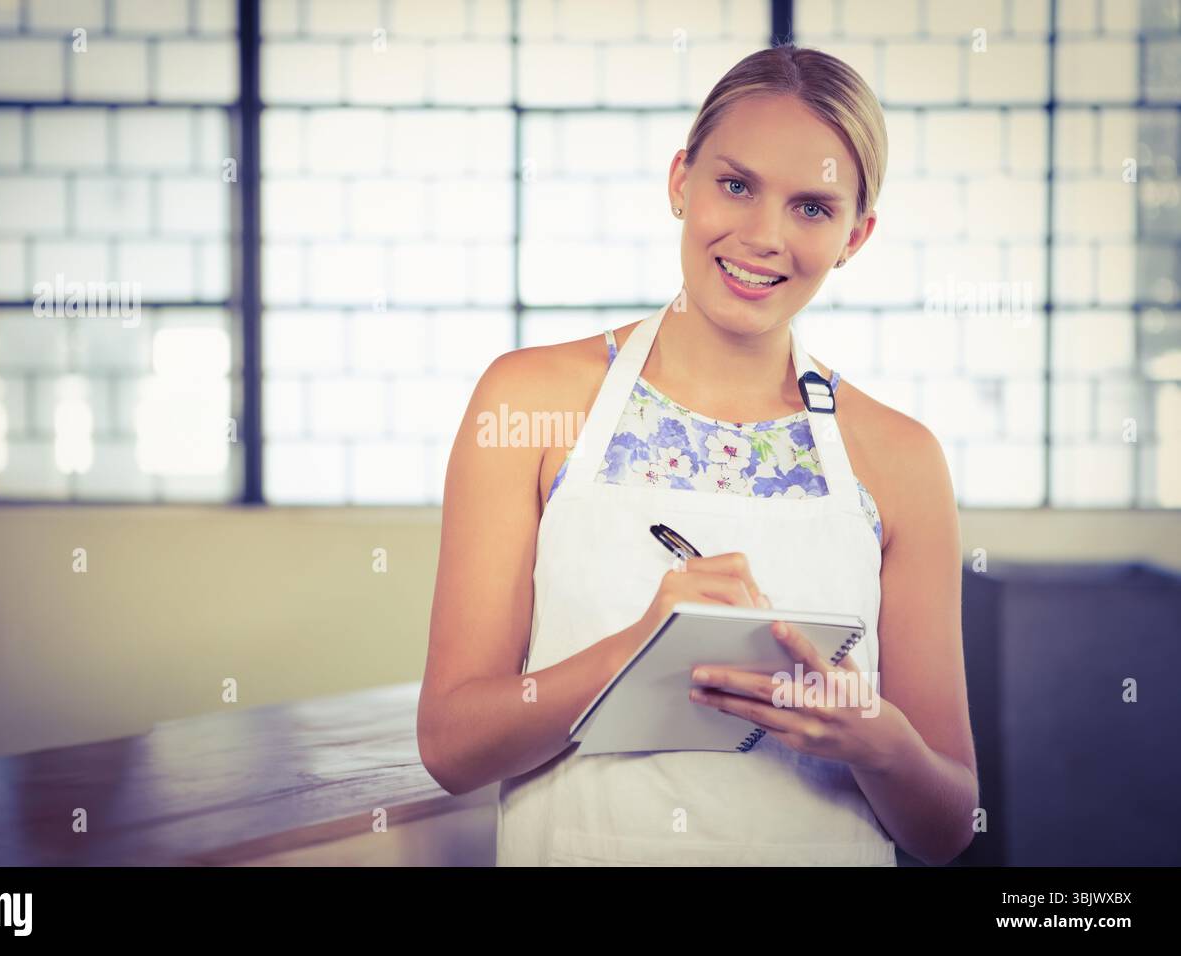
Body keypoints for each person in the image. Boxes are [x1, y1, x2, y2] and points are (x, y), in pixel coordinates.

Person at [418, 43, 978, 866]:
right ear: (681, 180)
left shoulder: (902, 458)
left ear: (855, 235)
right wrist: (639, 651)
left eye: (813, 208)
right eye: (736, 185)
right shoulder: (528, 402)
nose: (763, 237)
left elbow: (948, 826)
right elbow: (452, 747)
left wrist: (877, 740)